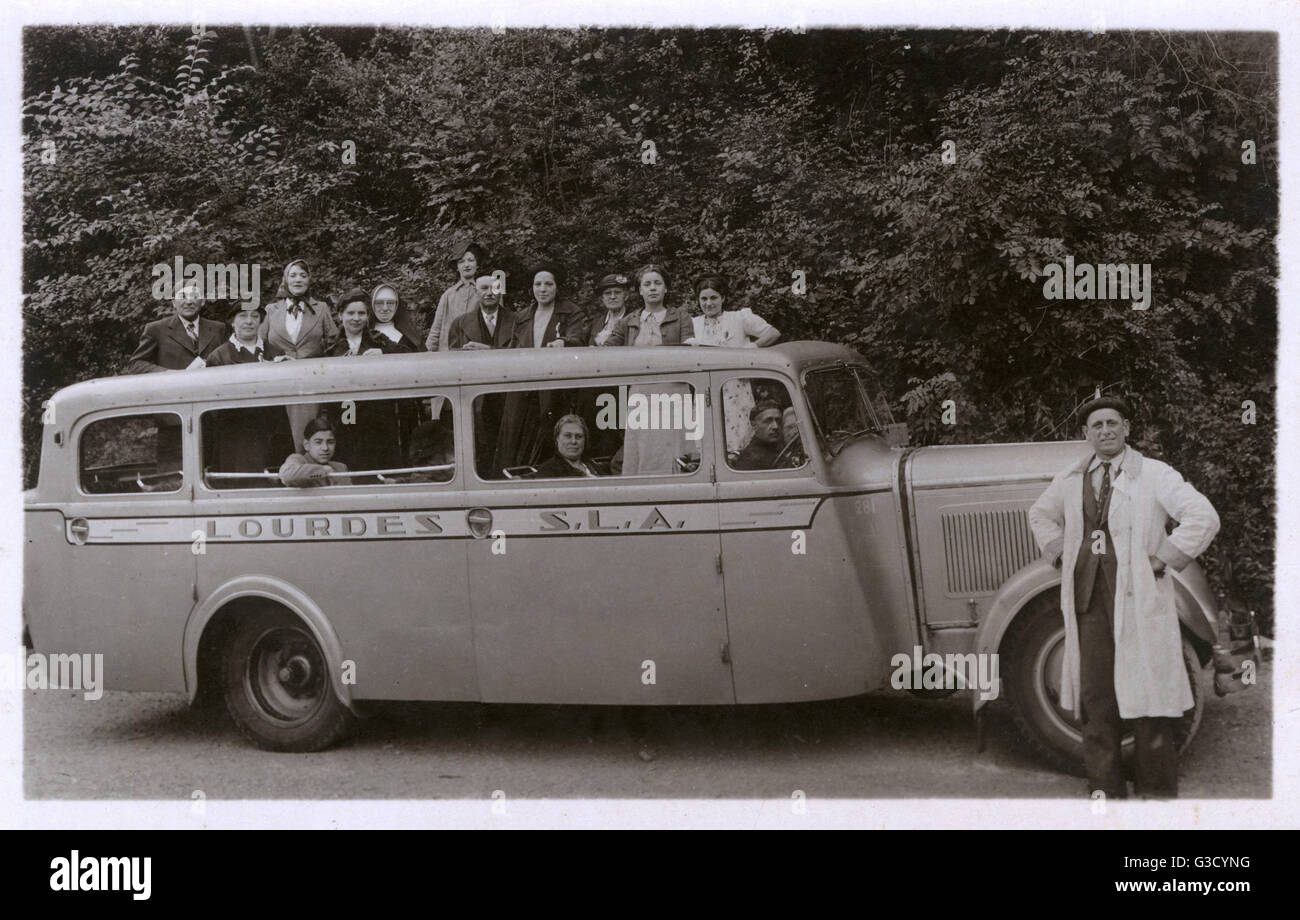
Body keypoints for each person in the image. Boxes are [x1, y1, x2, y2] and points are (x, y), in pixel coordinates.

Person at [1028, 396, 1220, 799]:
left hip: (1139, 604)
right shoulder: (1071, 478)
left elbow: (1203, 516)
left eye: (1112, 423)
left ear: (1127, 428)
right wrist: (1062, 551)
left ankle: (1156, 796)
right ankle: (1106, 793)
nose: (1105, 431)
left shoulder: (1153, 474)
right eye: (1096, 426)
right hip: (1089, 605)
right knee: (1097, 703)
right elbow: (1039, 514)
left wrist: (1162, 559)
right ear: (1086, 434)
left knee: (1150, 700)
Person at [600, 265, 696, 475]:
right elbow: (607, 351)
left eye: (657, 283)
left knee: (674, 448)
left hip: (673, 392)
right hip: (641, 393)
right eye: (647, 284)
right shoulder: (630, 321)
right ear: (640, 290)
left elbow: (690, 353)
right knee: (643, 449)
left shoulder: (681, 318)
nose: (652, 288)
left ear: (666, 289)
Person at [496, 263, 590, 469]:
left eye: (548, 284)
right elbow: (512, 350)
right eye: (538, 284)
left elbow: (579, 339)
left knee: (548, 443)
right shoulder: (522, 317)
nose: (543, 289)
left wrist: (564, 342)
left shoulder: (571, 312)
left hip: (554, 391)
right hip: (523, 390)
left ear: (557, 287)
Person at [261, 259, 339, 448]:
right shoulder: (272, 310)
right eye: (293, 275)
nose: (298, 280)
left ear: (309, 280)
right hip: (279, 382)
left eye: (303, 276)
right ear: (285, 280)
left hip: (311, 383)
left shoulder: (321, 309)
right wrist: (273, 360)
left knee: (312, 435)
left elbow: (334, 342)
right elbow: (259, 343)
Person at [125, 282, 226, 373]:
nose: (188, 301)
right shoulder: (156, 329)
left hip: (211, 391)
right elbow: (136, 364)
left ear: (203, 301)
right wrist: (167, 373)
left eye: (194, 296)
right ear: (174, 303)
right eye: (182, 297)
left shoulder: (219, 329)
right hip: (173, 391)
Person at [685, 275, 780, 348]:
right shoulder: (692, 324)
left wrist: (753, 347)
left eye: (713, 298)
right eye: (704, 299)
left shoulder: (739, 318)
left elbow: (773, 333)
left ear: (723, 298)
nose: (708, 303)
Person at [426, 241, 486, 351]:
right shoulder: (448, 295)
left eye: (471, 260)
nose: (466, 265)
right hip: (449, 357)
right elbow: (436, 330)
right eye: (461, 261)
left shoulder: (485, 293)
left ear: (477, 265)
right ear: (457, 267)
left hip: (477, 355)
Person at [205, 301, 288, 366]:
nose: (249, 321)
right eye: (243, 316)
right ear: (232, 322)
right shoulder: (218, 357)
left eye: (255, 316)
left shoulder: (276, 352)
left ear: (260, 322)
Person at [449, 273, 517, 350]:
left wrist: (489, 349)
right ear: (476, 292)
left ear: (500, 292)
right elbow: (453, 356)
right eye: (484, 288)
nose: (489, 293)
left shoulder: (517, 321)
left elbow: (521, 353)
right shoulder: (459, 323)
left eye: (494, 289)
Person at [279, 417, 351, 487]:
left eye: (330, 442)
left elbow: (349, 496)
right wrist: (323, 470)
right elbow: (286, 475)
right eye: (318, 442)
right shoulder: (297, 460)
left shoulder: (341, 467)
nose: (325, 448)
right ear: (306, 445)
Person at [325, 289, 387, 357]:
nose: (356, 318)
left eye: (361, 313)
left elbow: (399, 351)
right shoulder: (328, 343)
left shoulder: (379, 339)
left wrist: (382, 352)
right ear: (340, 315)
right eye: (350, 313)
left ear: (367, 316)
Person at [534, 415, 602, 478]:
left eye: (579, 436)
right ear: (557, 438)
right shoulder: (547, 471)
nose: (573, 441)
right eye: (568, 436)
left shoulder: (594, 466)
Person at [368, 282, 424, 353]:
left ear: (397, 305)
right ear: (372, 305)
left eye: (390, 303)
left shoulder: (409, 334)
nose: (385, 308)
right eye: (379, 303)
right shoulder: (364, 334)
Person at [733, 401, 785, 470]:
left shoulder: (780, 447)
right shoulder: (750, 459)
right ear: (754, 425)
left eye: (778, 420)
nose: (775, 426)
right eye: (768, 421)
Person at [587, 273, 632, 346]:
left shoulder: (632, 320)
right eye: (608, 293)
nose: (612, 297)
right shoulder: (595, 322)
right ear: (602, 298)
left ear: (626, 296)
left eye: (617, 292)